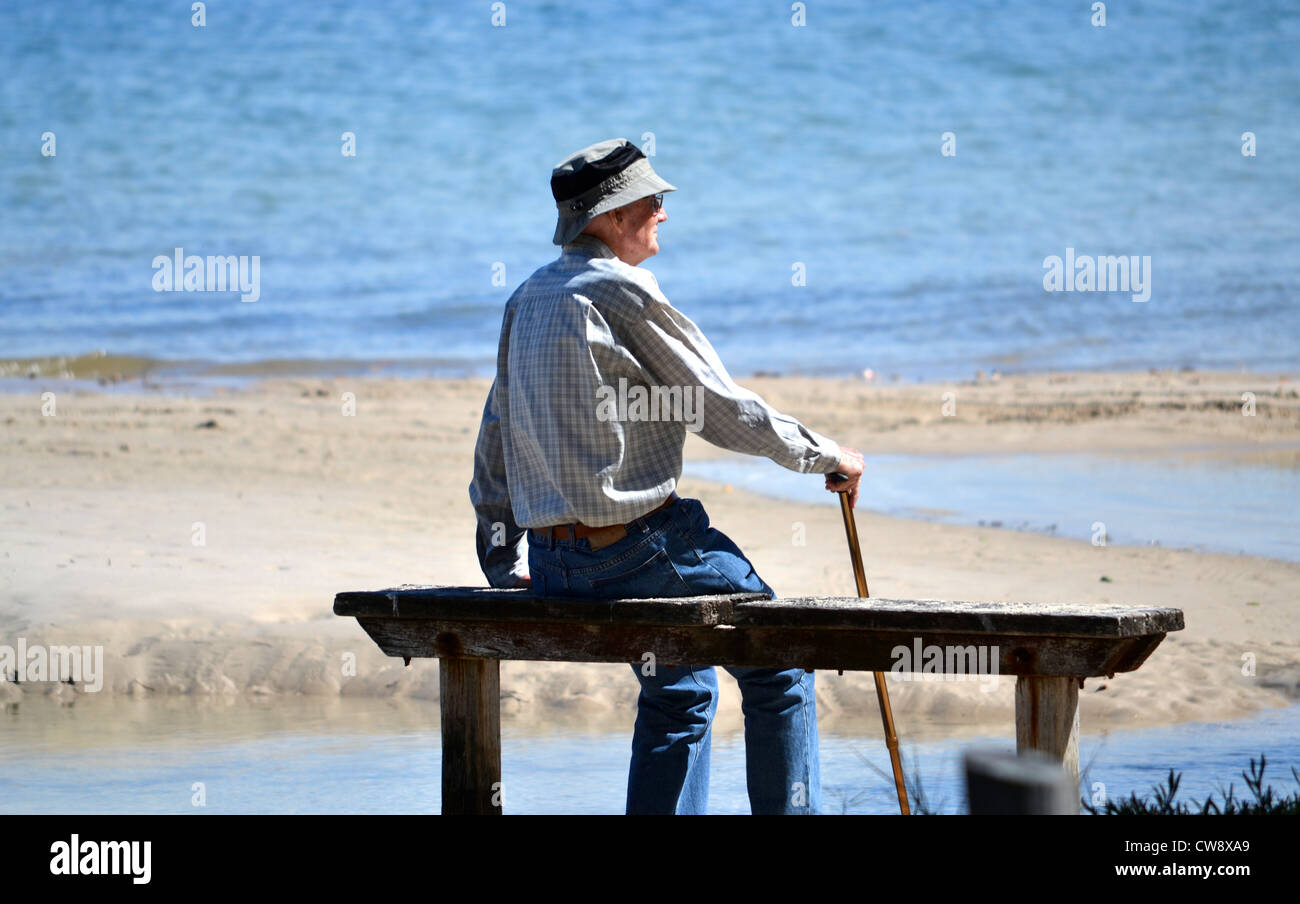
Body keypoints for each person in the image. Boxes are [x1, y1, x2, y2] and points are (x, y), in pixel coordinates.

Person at [469, 138, 864, 814]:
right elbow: (718, 406)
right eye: (653, 201)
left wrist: (501, 558)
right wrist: (827, 456)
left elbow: (496, 438)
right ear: (612, 216)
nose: (663, 212)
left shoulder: (527, 297)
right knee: (781, 665)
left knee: (680, 688)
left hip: (556, 563)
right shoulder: (617, 289)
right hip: (636, 551)